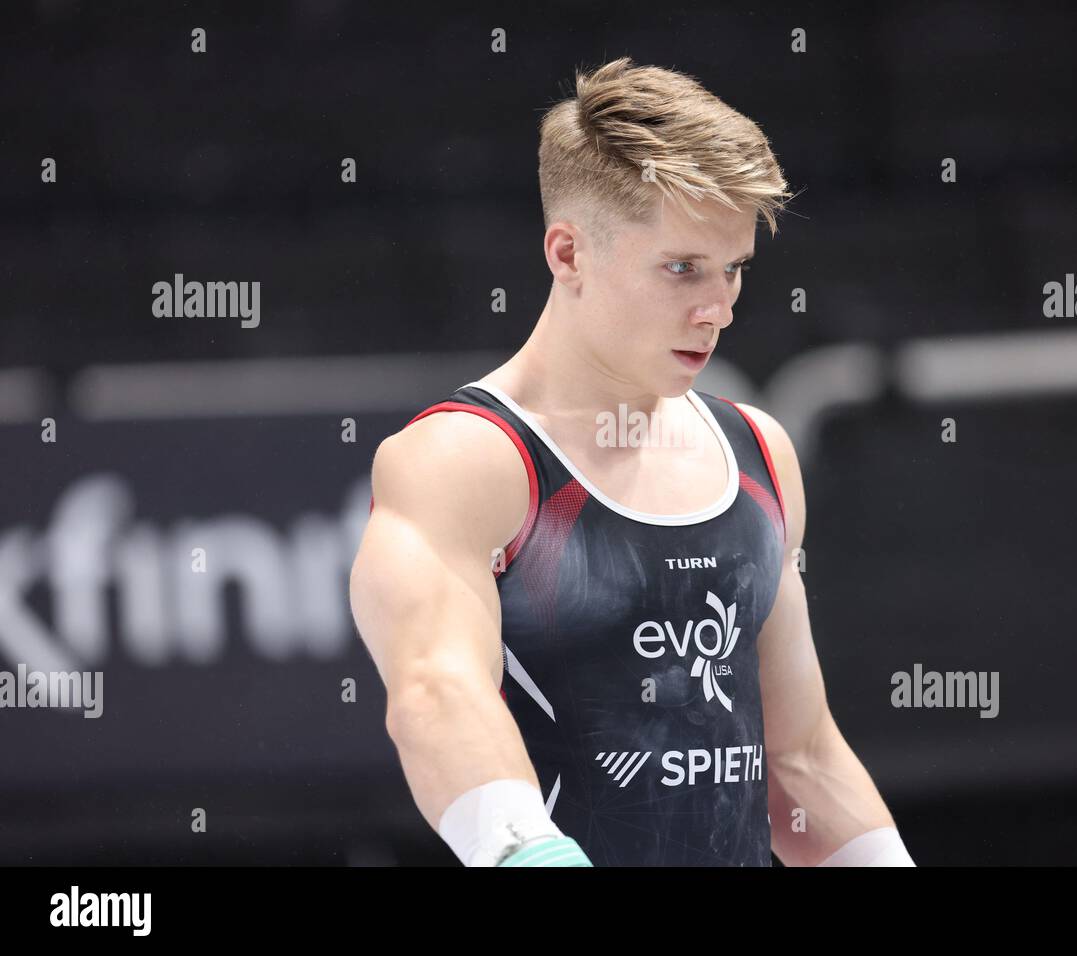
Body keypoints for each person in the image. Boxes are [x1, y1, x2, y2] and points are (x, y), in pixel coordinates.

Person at [349, 57, 914, 867]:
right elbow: (437, 695)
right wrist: (528, 855)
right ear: (569, 252)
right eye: (682, 268)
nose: (717, 309)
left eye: (734, 271)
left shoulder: (758, 454)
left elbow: (799, 762)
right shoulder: (463, 459)